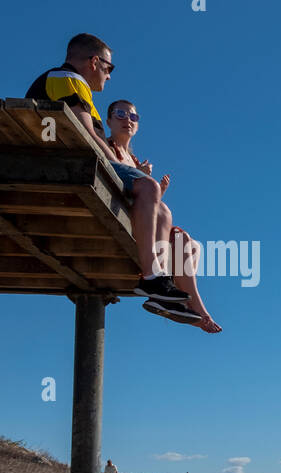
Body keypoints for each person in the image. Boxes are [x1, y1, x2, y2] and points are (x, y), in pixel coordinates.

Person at [27, 35, 193, 313]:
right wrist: (126, 172)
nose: (109, 76)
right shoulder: (68, 77)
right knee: (149, 187)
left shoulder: (70, 82)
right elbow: (88, 137)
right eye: (109, 68)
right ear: (94, 62)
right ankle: (152, 277)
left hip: (65, 158)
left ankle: (159, 282)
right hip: (66, 162)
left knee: (161, 209)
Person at [102, 99, 221, 333]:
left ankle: (182, 303)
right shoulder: (108, 148)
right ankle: (191, 306)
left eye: (133, 117)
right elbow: (118, 190)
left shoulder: (135, 161)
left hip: (144, 224)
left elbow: (146, 201)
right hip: (123, 219)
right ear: (108, 121)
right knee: (166, 213)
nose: (127, 120)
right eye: (120, 114)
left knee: (189, 244)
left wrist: (155, 189)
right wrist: (146, 182)